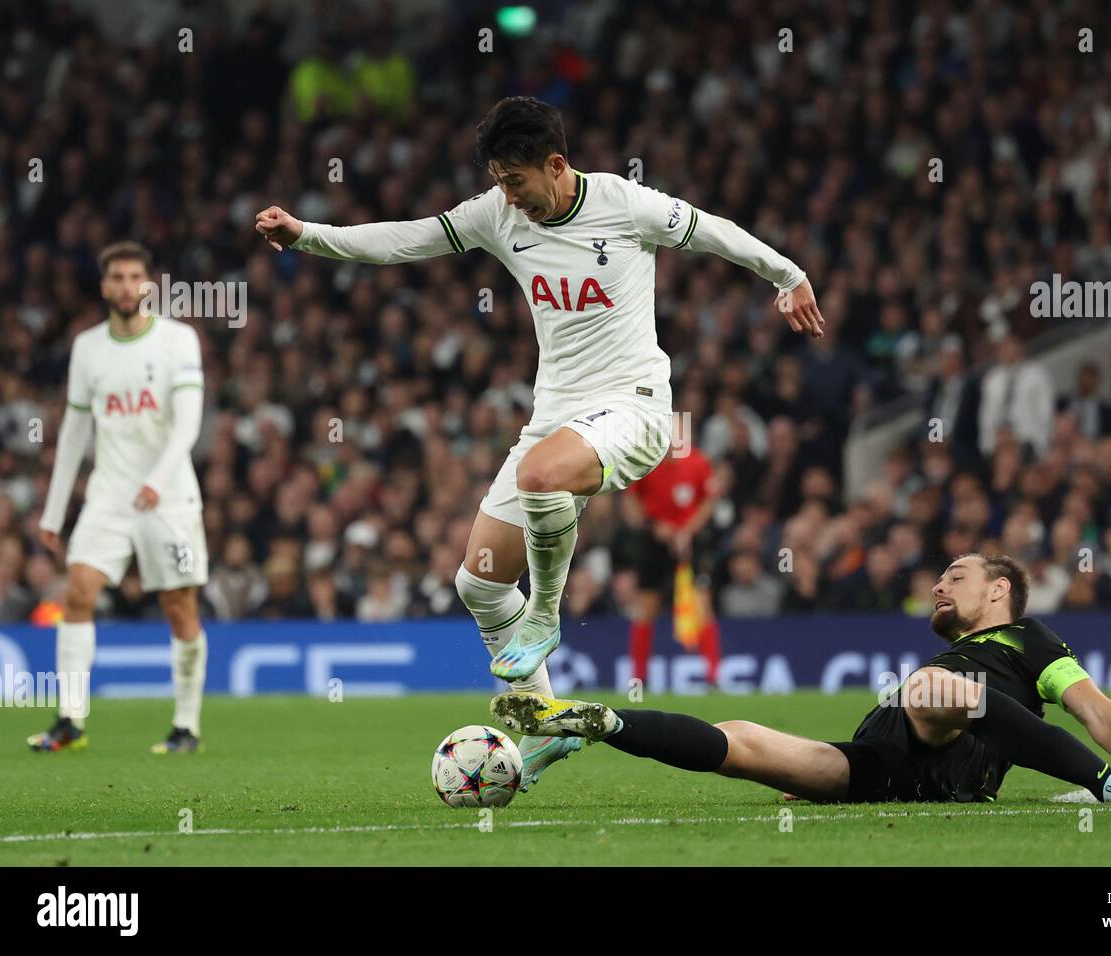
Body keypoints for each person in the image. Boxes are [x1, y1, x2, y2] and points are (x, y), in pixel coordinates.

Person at [256, 96, 823, 787]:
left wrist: (788, 275)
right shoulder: (498, 215)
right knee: (480, 582)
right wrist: (307, 234)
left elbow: (716, 233)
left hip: (635, 409)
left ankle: (547, 616)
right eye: (498, 179)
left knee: (540, 476)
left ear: (557, 165)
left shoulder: (625, 204)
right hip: (554, 416)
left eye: (516, 179)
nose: (507, 194)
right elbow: (404, 239)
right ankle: (547, 718)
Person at [492, 554, 1111, 805]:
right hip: (884, 761)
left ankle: (1110, 790)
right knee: (742, 742)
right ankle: (597, 721)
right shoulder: (953, 649)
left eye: (956, 575)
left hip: (954, 741)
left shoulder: (1026, 638)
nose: (940, 586)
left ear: (999, 591)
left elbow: (1094, 709)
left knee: (938, 692)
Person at [30, 242, 209, 754]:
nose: (127, 286)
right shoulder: (88, 347)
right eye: (117, 278)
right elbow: (74, 431)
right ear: (104, 286)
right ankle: (70, 720)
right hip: (109, 495)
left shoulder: (178, 340)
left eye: (135, 277)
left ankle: (186, 725)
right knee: (77, 593)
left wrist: (157, 477)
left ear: (148, 284)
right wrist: (54, 509)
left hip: (169, 497)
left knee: (179, 608)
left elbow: (188, 422)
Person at [627, 423, 722, 687]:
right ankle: (638, 678)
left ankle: (714, 676)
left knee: (702, 604)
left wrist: (687, 532)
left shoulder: (699, 462)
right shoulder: (646, 462)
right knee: (646, 606)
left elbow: (709, 501)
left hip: (692, 543)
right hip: (656, 543)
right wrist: (655, 527)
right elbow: (632, 501)